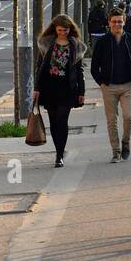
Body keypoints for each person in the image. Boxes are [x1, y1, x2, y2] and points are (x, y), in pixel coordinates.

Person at [32, 15, 86, 167]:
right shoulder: (46, 44)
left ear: (70, 30)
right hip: (49, 88)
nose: (63, 33)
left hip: (68, 89)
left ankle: (59, 155)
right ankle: (58, 150)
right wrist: (36, 88)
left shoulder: (76, 46)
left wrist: (81, 92)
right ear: (55, 29)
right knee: (54, 122)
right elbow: (39, 67)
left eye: (66, 30)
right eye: (61, 30)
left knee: (62, 120)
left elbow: (79, 70)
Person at [91, 8, 131, 162]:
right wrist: (101, 82)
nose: (117, 24)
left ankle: (125, 142)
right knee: (111, 120)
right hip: (109, 86)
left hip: (128, 85)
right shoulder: (103, 42)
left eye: (120, 21)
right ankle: (116, 151)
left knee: (129, 117)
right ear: (109, 23)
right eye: (114, 22)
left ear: (124, 22)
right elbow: (95, 66)